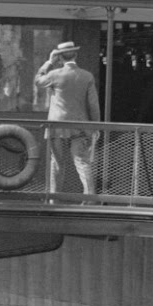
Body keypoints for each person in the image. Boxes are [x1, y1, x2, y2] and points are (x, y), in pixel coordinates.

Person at [33, 41, 102, 196]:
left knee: (57, 163)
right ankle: (89, 199)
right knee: (82, 162)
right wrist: (95, 127)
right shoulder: (87, 76)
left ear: (60, 58)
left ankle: (53, 199)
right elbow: (93, 104)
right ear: (75, 55)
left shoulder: (54, 75)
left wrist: (49, 62)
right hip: (79, 126)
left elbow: (38, 81)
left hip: (56, 126)